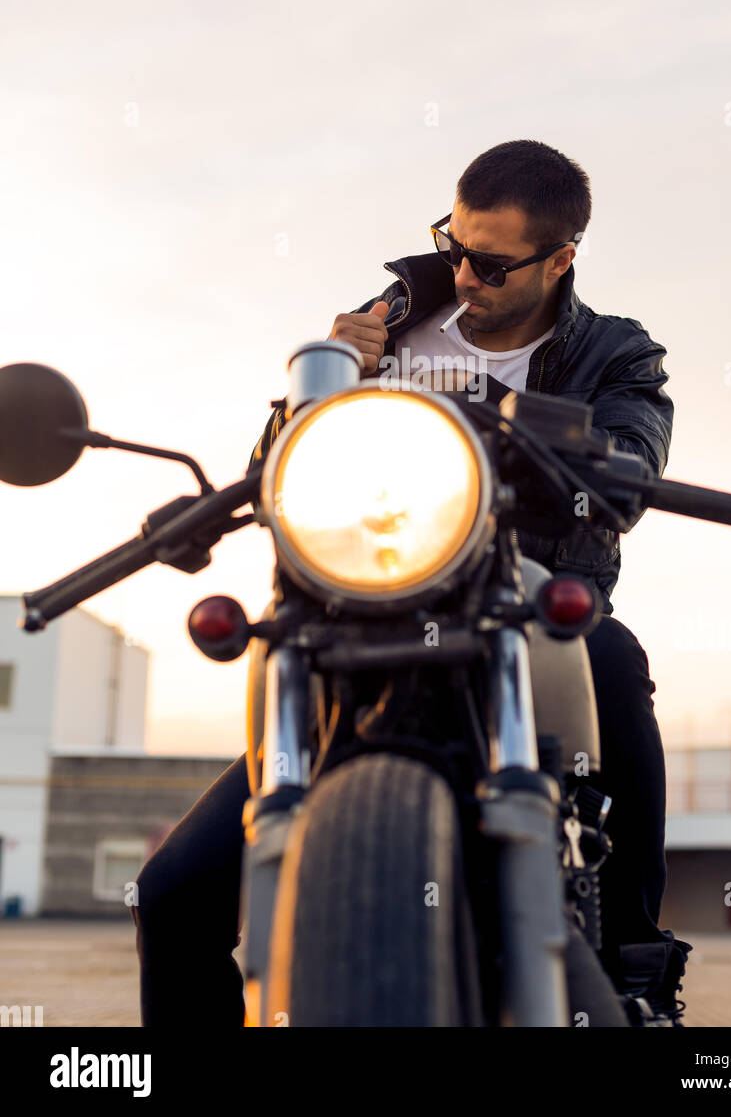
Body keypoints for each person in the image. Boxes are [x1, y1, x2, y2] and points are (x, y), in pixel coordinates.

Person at [131, 139, 691, 1026]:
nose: (464, 274)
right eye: (453, 244)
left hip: (519, 620)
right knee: (168, 897)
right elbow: (275, 476)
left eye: (494, 262)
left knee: (613, 658)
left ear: (561, 258)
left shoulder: (614, 355)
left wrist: (538, 440)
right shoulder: (385, 319)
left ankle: (636, 959)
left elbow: (627, 468)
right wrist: (314, 390)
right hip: (353, 637)